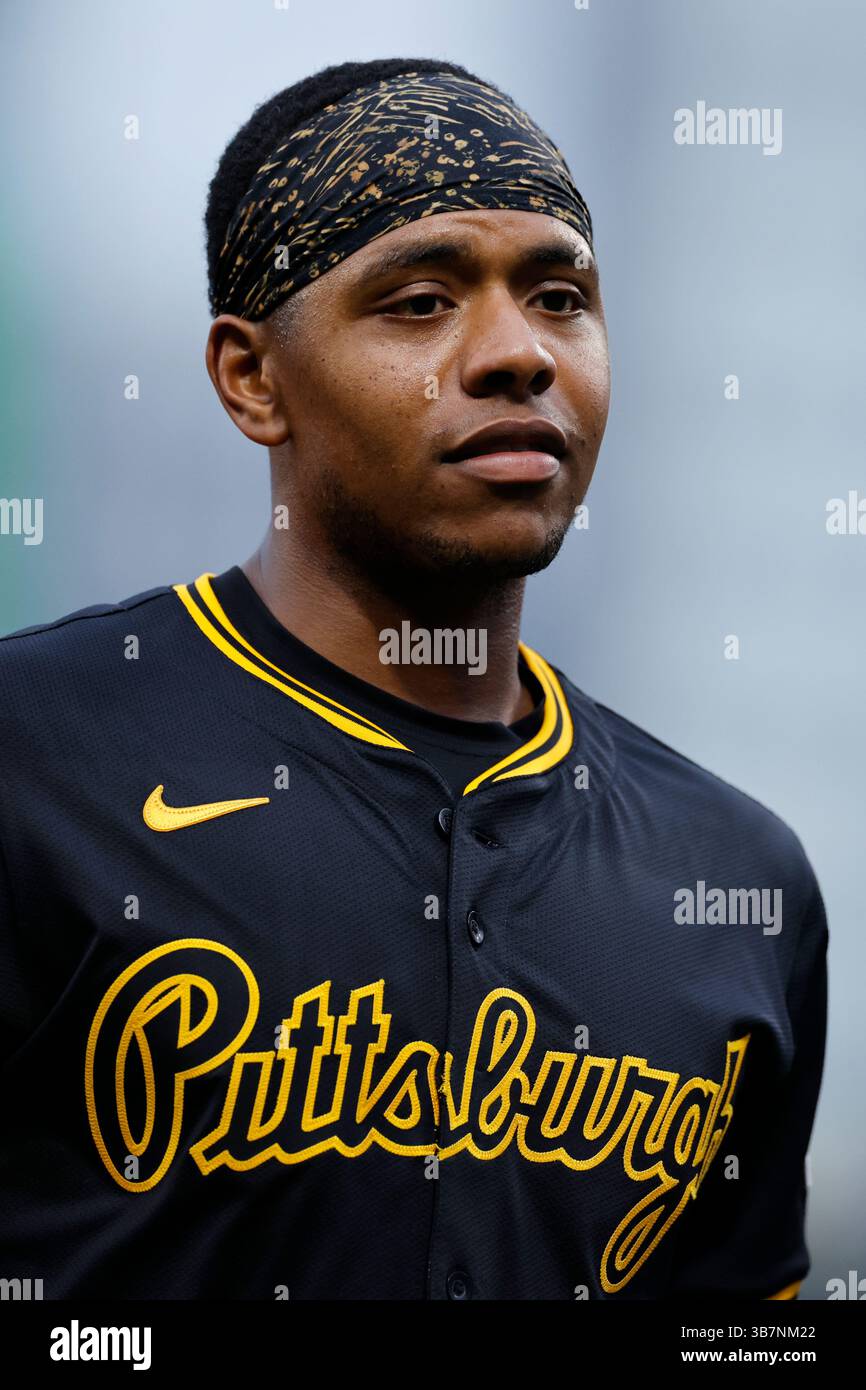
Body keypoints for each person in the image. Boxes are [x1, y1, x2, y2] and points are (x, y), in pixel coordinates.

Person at [0, 57, 827, 1301]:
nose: (516, 355)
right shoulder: (38, 756)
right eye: (421, 300)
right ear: (250, 378)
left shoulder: (733, 874)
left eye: (559, 296)